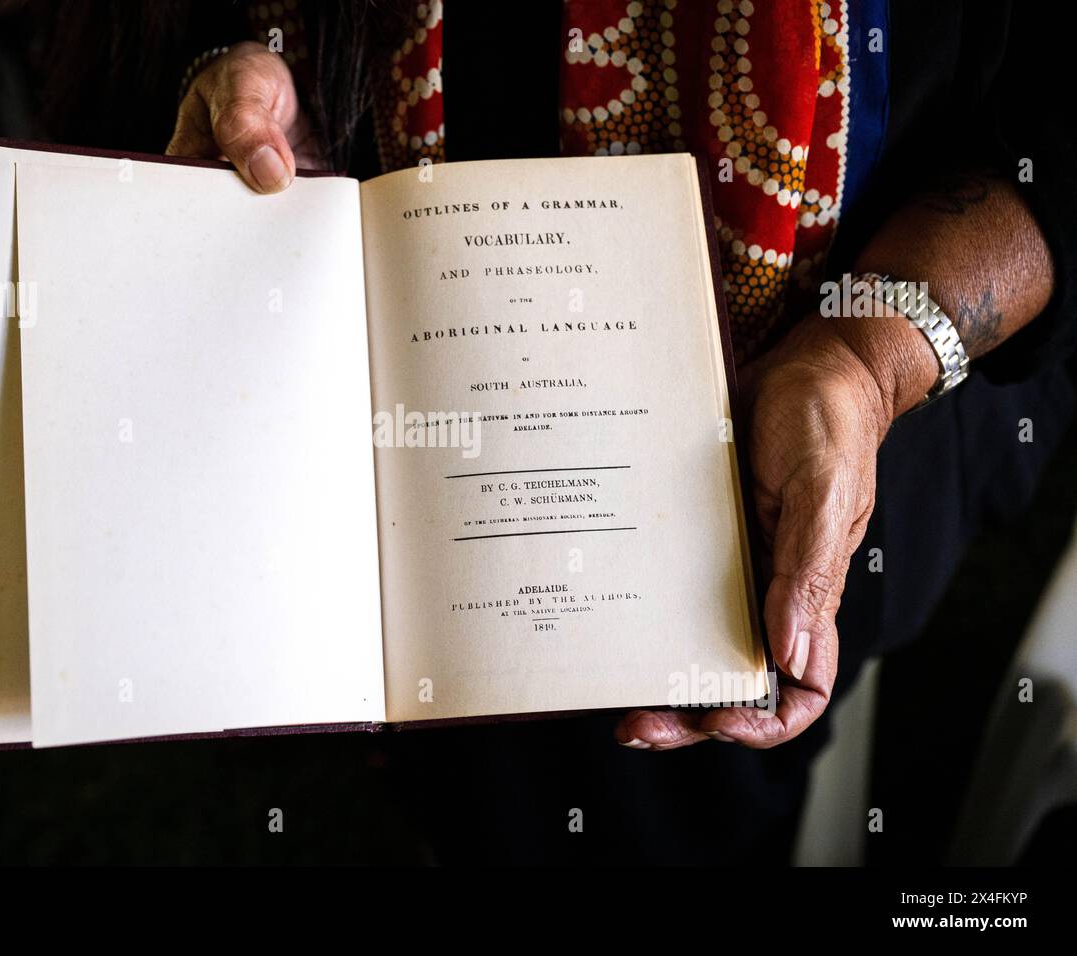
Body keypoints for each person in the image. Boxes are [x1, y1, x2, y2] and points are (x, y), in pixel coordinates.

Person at [151, 1, 1075, 862]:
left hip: (816, 396)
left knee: (657, 779)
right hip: (379, 294)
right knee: (420, 699)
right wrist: (248, 48)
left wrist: (864, 364)